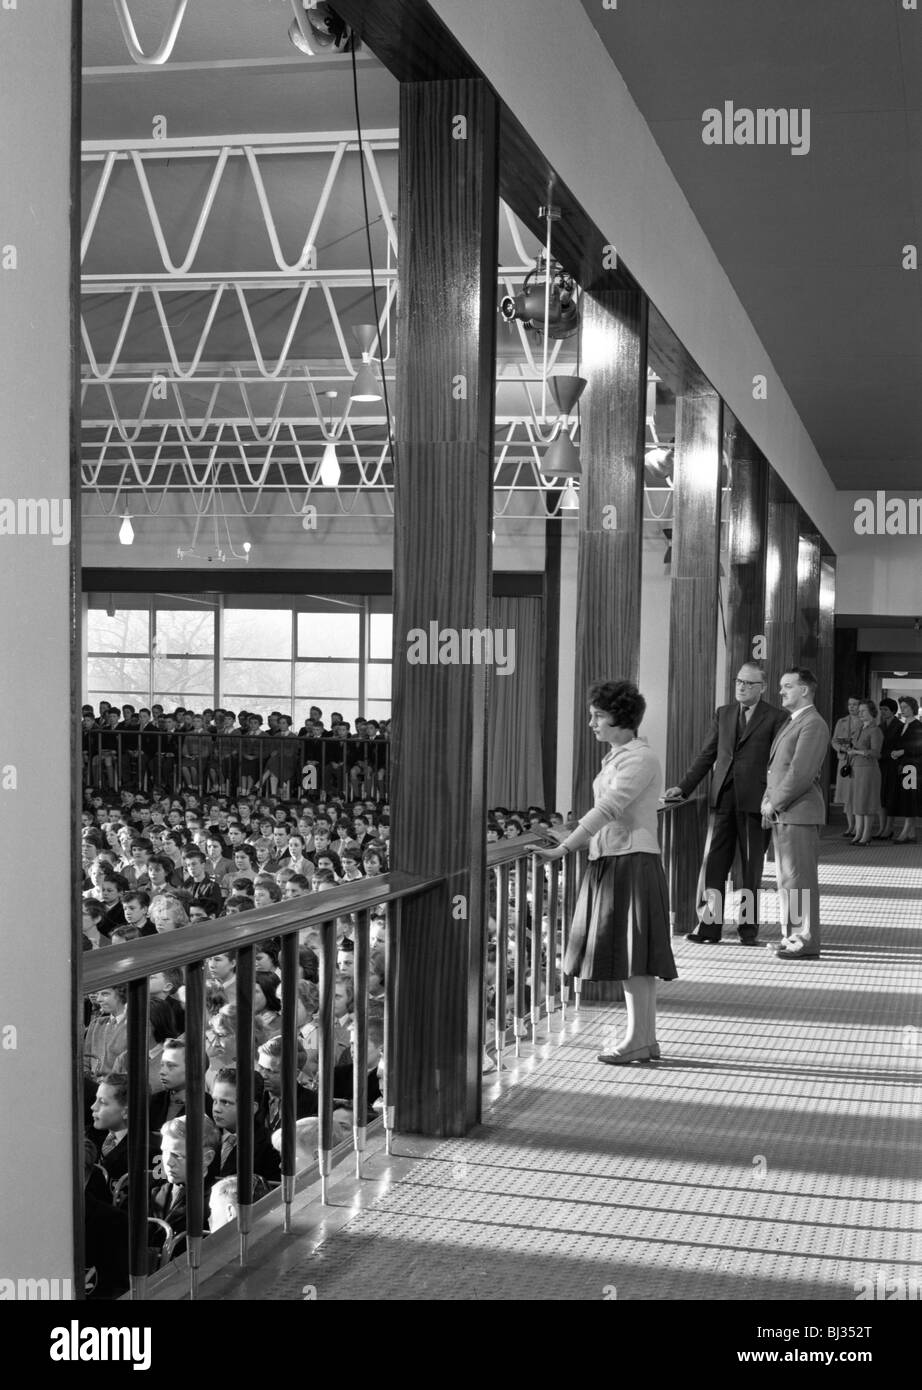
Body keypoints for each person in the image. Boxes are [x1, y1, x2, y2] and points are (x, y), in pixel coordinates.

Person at [538, 680, 676, 1064]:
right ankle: (643, 1039)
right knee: (636, 959)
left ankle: (640, 1038)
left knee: (636, 958)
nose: (591, 724)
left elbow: (609, 809)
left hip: (630, 860)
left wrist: (565, 846)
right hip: (619, 858)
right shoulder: (622, 755)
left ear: (620, 719)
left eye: (598, 716)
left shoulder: (639, 758)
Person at [665, 661, 788, 945]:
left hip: (756, 803)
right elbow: (707, 755)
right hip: (722, 799)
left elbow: (778, 763)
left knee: (749, 868)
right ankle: (709, 928)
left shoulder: (776, 717)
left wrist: (773, 798)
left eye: (748, 683)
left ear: (762, 688)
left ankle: (747, 930)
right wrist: (683, 788)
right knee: (714, 865)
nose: (741, 687)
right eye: (738, 682)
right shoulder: (724, 713)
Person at [761, 668, 830, 960]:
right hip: (787, 813)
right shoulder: (795, 721)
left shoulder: (813, 723)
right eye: (781, 686)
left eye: (787, 686)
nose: (781, 691)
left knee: (800, 881)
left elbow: (800, 773)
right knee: (789, 883)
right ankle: (792, 938)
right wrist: (770, 798)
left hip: (798, 812)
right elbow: (777, 769)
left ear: (805, 690)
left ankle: (805, 941)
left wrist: (772, 801)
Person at [846, 700, 883, 846]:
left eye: (863, 711)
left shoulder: (875, 730)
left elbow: (876, 753)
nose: (859, 713)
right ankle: (858, 833)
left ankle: (866, 836)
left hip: (868, 770)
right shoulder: (860, 728)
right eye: (859, 711)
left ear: (871, 712)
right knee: (857, 802)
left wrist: (856, 751)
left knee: (867, 802)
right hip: (857, 769)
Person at [890, 696, 922, 843]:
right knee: (907, 798)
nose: (902, 710)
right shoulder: (903, 725)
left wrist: (902, 752)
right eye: (901, 707)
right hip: (904, 766)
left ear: (913, 708)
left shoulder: (918, 725)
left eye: (906, 707)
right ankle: (912, 833)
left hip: (912, 767)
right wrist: (895, 752)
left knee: (910, 799)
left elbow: (918, 747)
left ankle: (905, 832)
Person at [831, 696, 862, 837]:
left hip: (858, 761)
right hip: (844, 761)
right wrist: (841, 748)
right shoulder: (841, 721)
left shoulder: (864, 721)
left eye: (855, 704)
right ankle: (850, 826)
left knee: (856, 795)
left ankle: (858, 827)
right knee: (846, 796)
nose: (852, 707)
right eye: (850, 704)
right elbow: (834, 741)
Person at [875, 698, 902, 839]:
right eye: (881, 709)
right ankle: (881, 827)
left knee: (890, 797)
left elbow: (900, 747)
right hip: (881, 765)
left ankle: (889, 828)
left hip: (893, 765)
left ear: (893, 710)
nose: (883, 712)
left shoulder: (900, 726)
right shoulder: (880, 726)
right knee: (881, 797)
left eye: (885, 709)